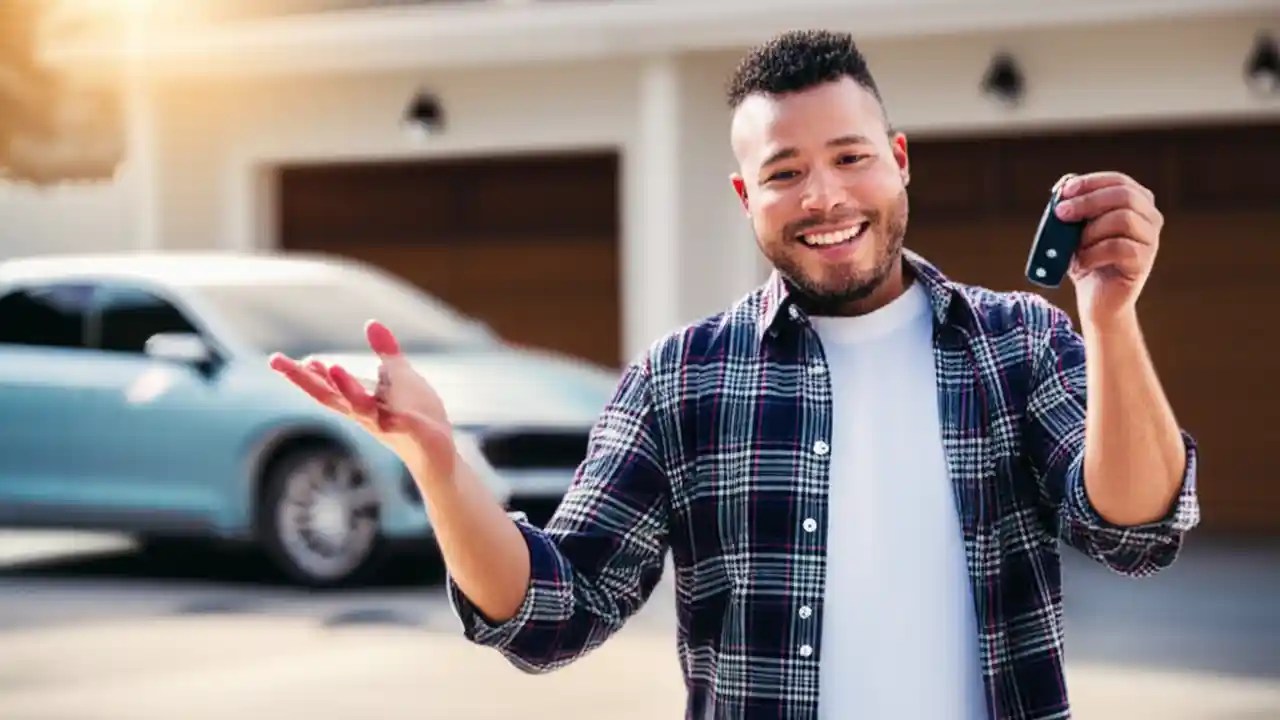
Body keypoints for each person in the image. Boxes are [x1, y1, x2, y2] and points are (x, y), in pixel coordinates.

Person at [270, 29, 1199, 720]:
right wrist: (440, 468)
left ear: (899, 161)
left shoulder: (1016, 343)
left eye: (850, 157)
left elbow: (1133, 528)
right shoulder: (681, 383)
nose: (826, 196)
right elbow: (554, 612)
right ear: (744, 195)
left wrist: (1109, 319)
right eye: (785, 172)